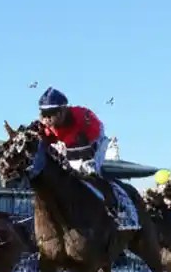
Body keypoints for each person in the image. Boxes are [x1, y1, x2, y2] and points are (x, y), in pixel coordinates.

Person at [36, 87, 117, 215]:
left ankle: (112, 205)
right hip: (69, 142)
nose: (47, 119)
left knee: (87, 170)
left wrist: (70, 150)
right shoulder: (47, 125)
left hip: (93, 140)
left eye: (50, 113)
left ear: (62, 111)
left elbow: (86, 149)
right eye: (43, 114)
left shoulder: (83, 119)